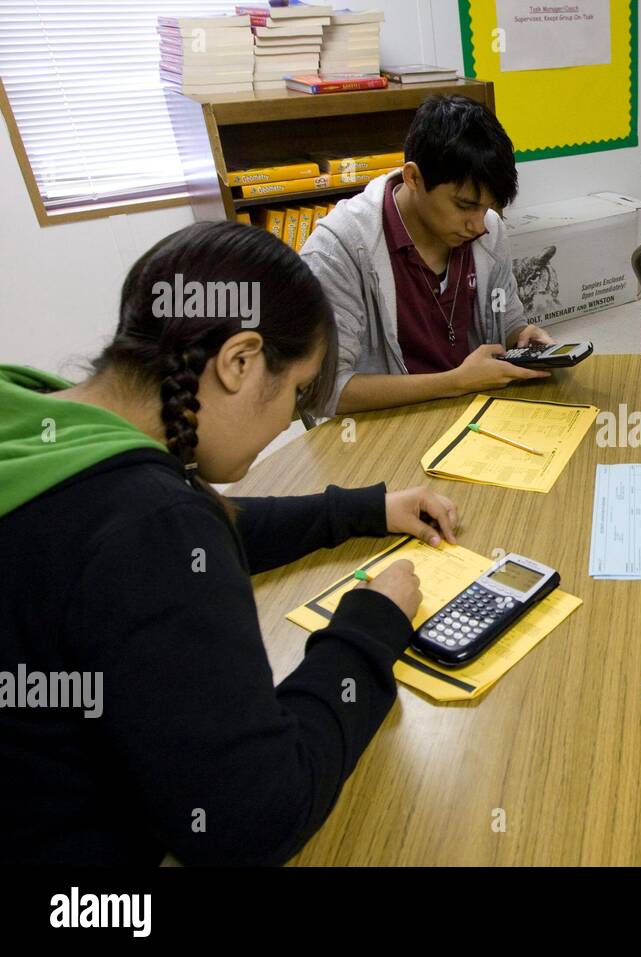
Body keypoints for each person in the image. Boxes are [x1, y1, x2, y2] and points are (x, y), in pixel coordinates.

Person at [0, 221, 458, 865]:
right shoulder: (150, 528)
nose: (289, 415)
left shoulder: (33, 413)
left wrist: (363, 510)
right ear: (240, 362)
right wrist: (371, 627)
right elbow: (256, 818)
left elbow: (188, 529)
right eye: (297, 391)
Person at [301, 94, 555, 416]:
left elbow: (508, 319)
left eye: (488, 207)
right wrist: (456, 382)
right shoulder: (339, 250)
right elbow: (322, 390)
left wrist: (521, 335)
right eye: (465, 205)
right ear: (413, 178)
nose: (478, 225)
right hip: (383, 428)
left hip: (475, 413)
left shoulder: (488, 230)